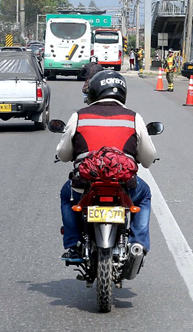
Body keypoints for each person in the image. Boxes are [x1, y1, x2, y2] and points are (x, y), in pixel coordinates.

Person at [56, 70, 158, 262]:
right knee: (144, 195)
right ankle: (138, 242)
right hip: (124, 187)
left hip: (84, 186)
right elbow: (148, 158)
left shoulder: (79, 116)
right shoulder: (133, 118)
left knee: (66, 195)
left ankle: (72, 244)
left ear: (93, 92)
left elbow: (63, 155)